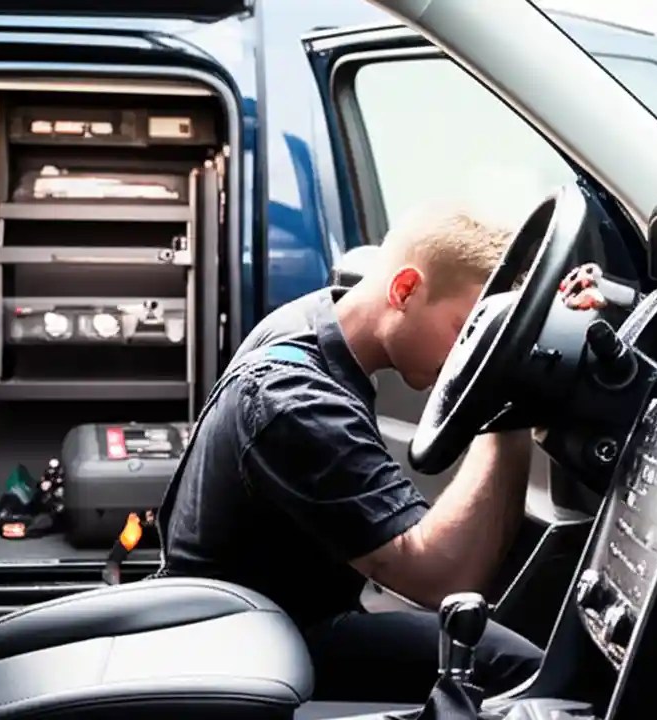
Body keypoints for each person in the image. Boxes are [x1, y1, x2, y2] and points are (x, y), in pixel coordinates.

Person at [155, 204, 542, 703]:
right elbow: (444, 576)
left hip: (264, 613)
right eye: (465, 330)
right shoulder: (295, 400)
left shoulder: (314, 321)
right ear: (403, 290)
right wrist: (507, 410)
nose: (470, 352)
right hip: (247, 641)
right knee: (519, 670)